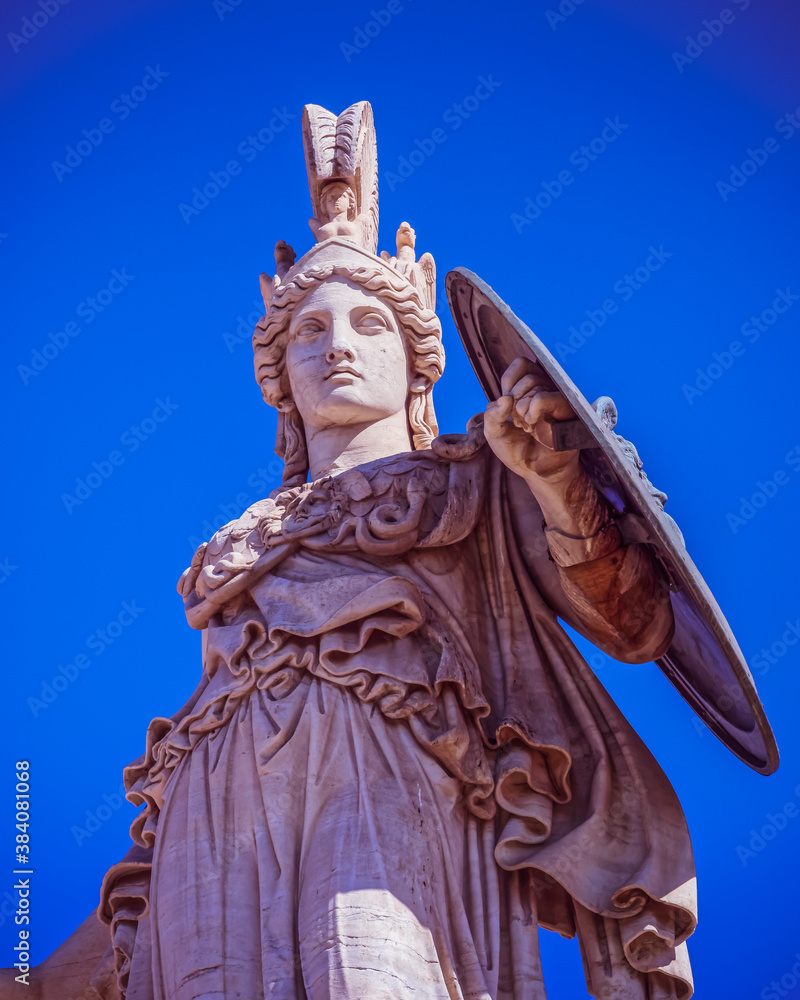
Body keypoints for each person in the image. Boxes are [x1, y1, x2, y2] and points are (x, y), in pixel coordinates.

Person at [96, 103, 696, 1000]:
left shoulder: (481, 478)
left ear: (419, 361)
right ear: (279, 375)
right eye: (308, 331)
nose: (336, 346)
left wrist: (562, 489)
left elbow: (639, 622)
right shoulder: (236, 548)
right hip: (209, 816)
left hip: (388, 784)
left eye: (368, 325)